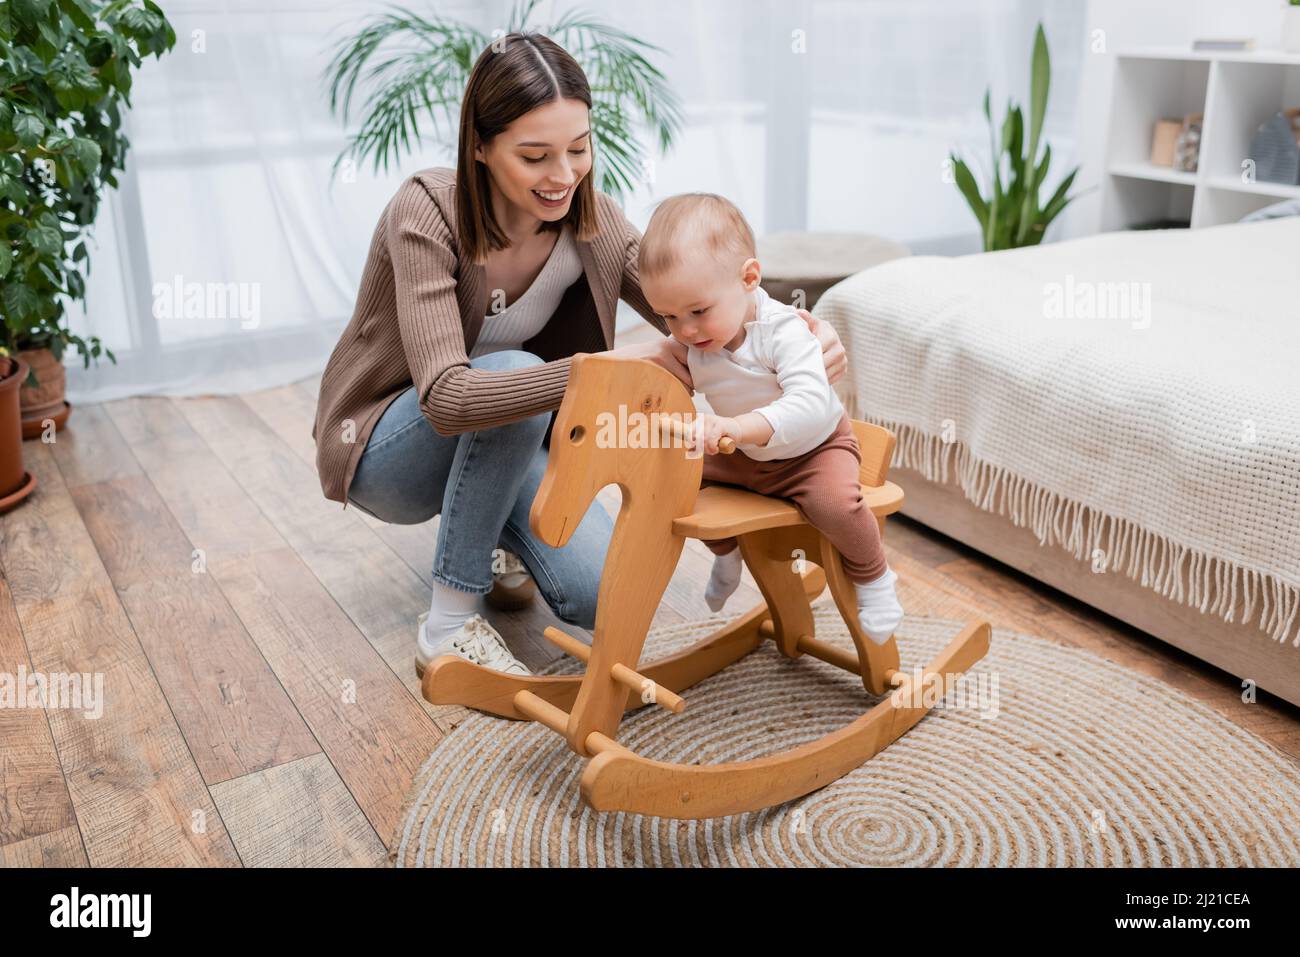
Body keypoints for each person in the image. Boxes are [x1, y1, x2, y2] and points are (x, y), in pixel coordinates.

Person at [312, 33, 849, 677]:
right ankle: (448, 627)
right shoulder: (426, 213)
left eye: (579, 148)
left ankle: (495, 539)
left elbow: (705, 305)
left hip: (513, 441)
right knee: (514, 372)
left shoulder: (591, 221)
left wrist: (795, 335)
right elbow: (449, 401)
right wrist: (604, 370)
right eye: (535, 155)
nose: (564, 175)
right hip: (387, 450)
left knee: (600, 594)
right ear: (478, 148)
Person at [638, 193, 904, 644]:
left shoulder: (782, 332)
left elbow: (810, 404)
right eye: (668, 317)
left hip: (813, 452)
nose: (684, 330)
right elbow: (666, 378)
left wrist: (736, 428)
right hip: (742, 454)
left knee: (835, 504)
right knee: (676, 476)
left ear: (749, 279)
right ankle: (726, 553)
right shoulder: (693, 342)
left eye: (698, 312)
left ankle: (874, 576)